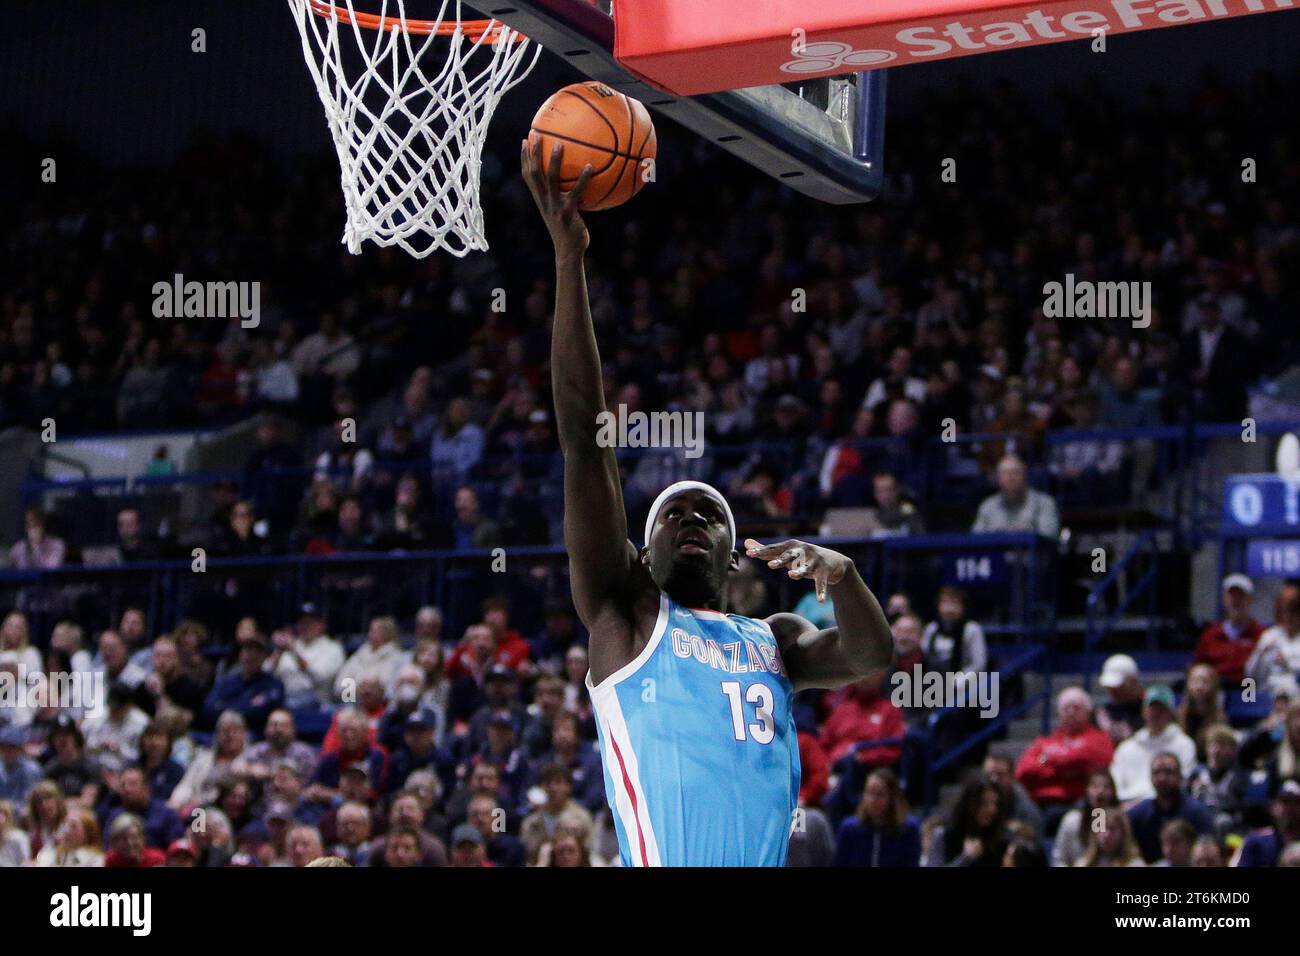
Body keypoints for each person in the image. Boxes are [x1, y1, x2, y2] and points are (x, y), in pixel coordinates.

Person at [521, 139, 894, 867]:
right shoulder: (622, 613)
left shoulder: (775, 640)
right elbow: (582, 436)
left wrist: (844, 579)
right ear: (644, 548)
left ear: (735, 551)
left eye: (711, 514)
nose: (693, 519)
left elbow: (869, 654)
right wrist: (569, 261)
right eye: (673, 513)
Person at [1015, 687, 1115, 812]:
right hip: (1038, 802)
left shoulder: (1099, 739)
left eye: (1076, 707)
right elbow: (1023, 771)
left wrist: (1046, 761)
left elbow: (1082, 760)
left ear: (1088, 712)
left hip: (1078, 804)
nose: (1071, 712)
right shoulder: (1044, 741)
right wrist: (1065, 770)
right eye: (1066, 708)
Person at [1110, 685, 1197, 803]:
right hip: (1128, 805)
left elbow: (1184, 781)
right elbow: (1115, 783)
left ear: (1170, 713)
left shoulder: (1185, 745)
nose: (1155, 713)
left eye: (1161, 709)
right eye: (1152, 708)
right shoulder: (1126, 748)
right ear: (1143, 711)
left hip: (1167, 804)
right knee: (1097, 814)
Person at [1126, 753, 1213, 863]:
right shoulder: (1139, 813)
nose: (1162, 778)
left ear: (1180, 776)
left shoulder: (1197, 812)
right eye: (1156, 773)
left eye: (1168, 772)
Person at [199, 630, 285, 735]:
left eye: (257, 651)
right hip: (221, 735)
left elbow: (258, 713)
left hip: (254, 737)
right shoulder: (226, 682)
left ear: (265, 656)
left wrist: (225, 708)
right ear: (241, 654)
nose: (252, 656)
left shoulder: (273, 684)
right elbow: (208, 708)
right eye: (248, 650)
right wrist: (245, 706)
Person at [833, 768, 921, 866]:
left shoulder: (908, 829)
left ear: (892, 798)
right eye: (869, 793)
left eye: (880, 794)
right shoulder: (849, 829)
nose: (872, 800)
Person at [924, 773, 1011, 867]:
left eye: (996, 804)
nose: (992, 810)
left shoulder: (1003, 838)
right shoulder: (944, 835)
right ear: (969, 805)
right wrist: (965, 858)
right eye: (984, 803)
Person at [269, 603, 344, 709]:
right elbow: (265, 672)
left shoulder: (332, 648)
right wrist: (278, 652)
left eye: (310, 622)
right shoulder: (289, 645)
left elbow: (319, 678)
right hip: (285, 701)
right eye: (301, 622)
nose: (305, 625)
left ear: (321, 624)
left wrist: (295, 653)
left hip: (317, 704)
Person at [1193, 574, 1263, 686]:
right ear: (1224, 599)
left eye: (1241, 596)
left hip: (1248, 687)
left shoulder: (1260, 634)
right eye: (1232, 596)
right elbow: (1198, 666)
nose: (1236, 601)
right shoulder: (1210, 635)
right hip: (1216, 689)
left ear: (1250, 600)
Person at [971, 454, 1060, 537]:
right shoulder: (987, 506)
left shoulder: (1044, 503)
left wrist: (1024, 531)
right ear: (998, 478)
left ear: (1024, 475)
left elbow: (1049, 536)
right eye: (1005, 473)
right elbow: (975, 539)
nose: (1010, 478)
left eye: (1015, 472)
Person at [1052, 770, 1119, 867]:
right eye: (1095, 786)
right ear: (1086, 791)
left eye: (1106, 787)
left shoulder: (1121, 822)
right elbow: (1060, 858)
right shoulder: (1072, 820)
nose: (1100, 791)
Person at [1234, 780, 1300, 867]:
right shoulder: (1256, 843)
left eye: (1296, 802)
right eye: (1285, 802)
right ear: (1273, 807)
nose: (1290, 809)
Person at [1246, 584, 1300, 686]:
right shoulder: (1269, 636)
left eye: (1294, 611)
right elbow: (1250, 673)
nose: (1289, 616)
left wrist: (1287, 664)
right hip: (1270, 693)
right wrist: (1260, 654)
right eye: (1285, 611)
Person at [1096, 653, 1144, 744]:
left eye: (1119, 686)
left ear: (1133, 682)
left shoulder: (1149, 710)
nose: (1113, 691)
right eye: (1109, 687)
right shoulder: (1104, 713)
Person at [1077, 807, 1145, 867]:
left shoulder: (1134, 864)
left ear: (1123, 832)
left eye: (1112, 829)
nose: (1106, 835)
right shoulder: (1084, 863)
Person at [34, 808, 103, 867]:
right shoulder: (51, 854)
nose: (66, 830)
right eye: (65, 824)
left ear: (88, 833)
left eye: (73, 826)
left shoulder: (95, 860)